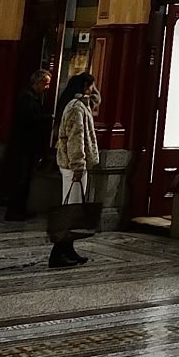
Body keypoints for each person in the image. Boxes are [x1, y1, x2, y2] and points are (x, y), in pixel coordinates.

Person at [47, 74, 100, 268]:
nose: (95, 89)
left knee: (74, 210)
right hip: (73, 167)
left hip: (73, 165)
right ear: (86, 86)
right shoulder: (76, 108)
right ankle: (58, 253)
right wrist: (78, 165)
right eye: (93, 85)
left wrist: (93, 93)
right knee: (71, 210)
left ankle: (68, 250)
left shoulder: (80, 105)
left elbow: (95, 103)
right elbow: (75, 138)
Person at [2, 63, 53, 223]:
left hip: (29, 146)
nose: (47, 87)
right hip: (23, 146)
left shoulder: (33, 97)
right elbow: (27, 119)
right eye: (45, 84)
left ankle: (21, 209)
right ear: (37, 83)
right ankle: (14, 211)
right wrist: (47, 118)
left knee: (25, 179)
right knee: (21, 179)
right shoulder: (27, 97)